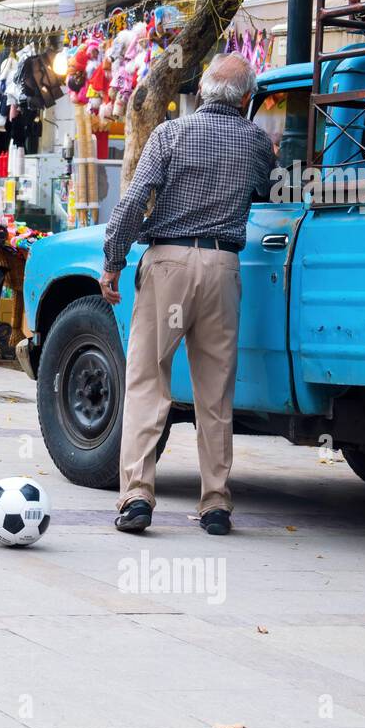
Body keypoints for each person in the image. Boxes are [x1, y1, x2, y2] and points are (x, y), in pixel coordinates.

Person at [99, 54, 275, 537]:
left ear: (200, 91)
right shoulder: (256, 142)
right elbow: (268, 190)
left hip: (169, 265)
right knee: (215, 392)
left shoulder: (169, 134)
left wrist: (113, 259)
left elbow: (134, 201)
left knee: (147, 380)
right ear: (247, 98)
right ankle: (216, 502)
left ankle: (137, 496)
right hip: (222, 266)